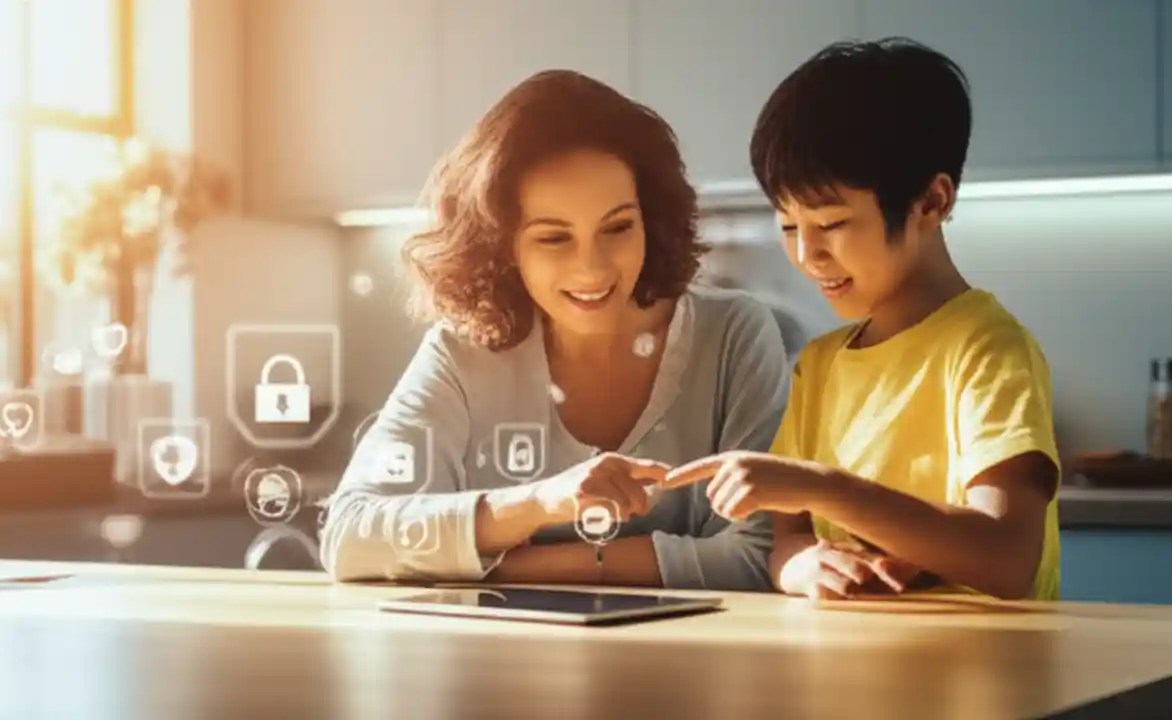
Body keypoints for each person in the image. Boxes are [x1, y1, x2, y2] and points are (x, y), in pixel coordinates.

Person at [321, 70, 788, 590]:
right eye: (553, 239)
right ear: (504, 244)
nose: (592, 269)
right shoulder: (461, 355)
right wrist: (541, 501)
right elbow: (348, 536)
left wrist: (504, 564)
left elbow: (756, 557)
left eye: (617, 228)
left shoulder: (734, 337)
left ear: (650, 221)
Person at [664, 39, 1062, 601]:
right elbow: (789, 541)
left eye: (831, 223)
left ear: (932, 201)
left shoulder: (986, 349)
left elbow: (1007, 558)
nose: (807, 254)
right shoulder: (821, 367)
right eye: (787, 225)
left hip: (990, 675)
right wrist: (804, 567)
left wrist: (823, 488)